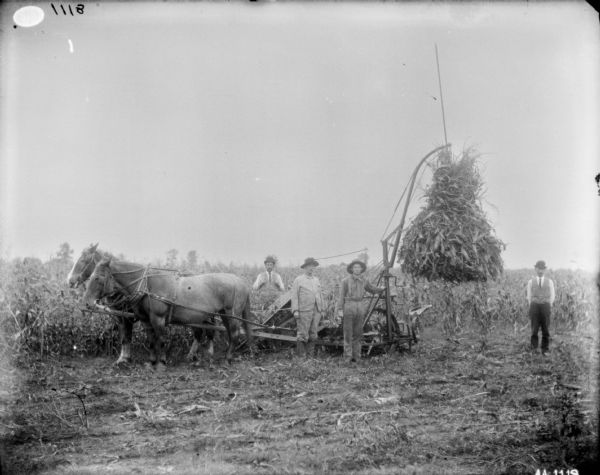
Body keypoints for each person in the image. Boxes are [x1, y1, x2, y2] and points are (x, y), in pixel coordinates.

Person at [337, 260, 385, 363]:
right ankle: (347, 357)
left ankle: (357, 357)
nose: (357, 269)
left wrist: (381, 289)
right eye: (355, 267)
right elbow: (341, 297)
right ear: (351, 269)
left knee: (358, 333)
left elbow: (372, 289)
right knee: (348, 333)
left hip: (360, 306)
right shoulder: (345, 281)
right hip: (349, 306)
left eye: (359, 267)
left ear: (361, 269)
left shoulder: (364, 280)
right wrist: (340, 310)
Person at [291, 257, 324, 358]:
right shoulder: (299, 280)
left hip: (316, 311)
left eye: (313, 266)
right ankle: (301, 358)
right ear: (305, 268)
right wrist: (295, 310)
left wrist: (322, 309)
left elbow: (320, 295)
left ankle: (310, 358)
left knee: (313, 333)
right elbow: (294, 296)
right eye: (309, 266)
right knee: (302, 334)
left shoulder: (316, 280)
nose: (311, 268)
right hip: (304, 311)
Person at [526, 260, 555, 355]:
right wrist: (533, 305)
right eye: (538, 269)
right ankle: (534, 349)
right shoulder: (530, 282)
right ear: (535, 269)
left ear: (545, 270)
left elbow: (552, 296)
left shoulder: (549, 282)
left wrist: (548, 305)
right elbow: (529, 296)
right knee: (534, 329)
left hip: (545, 307)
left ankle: (545, 349)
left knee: (545, 329)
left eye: (542, 269)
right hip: (534, 307)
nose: (540, 271)